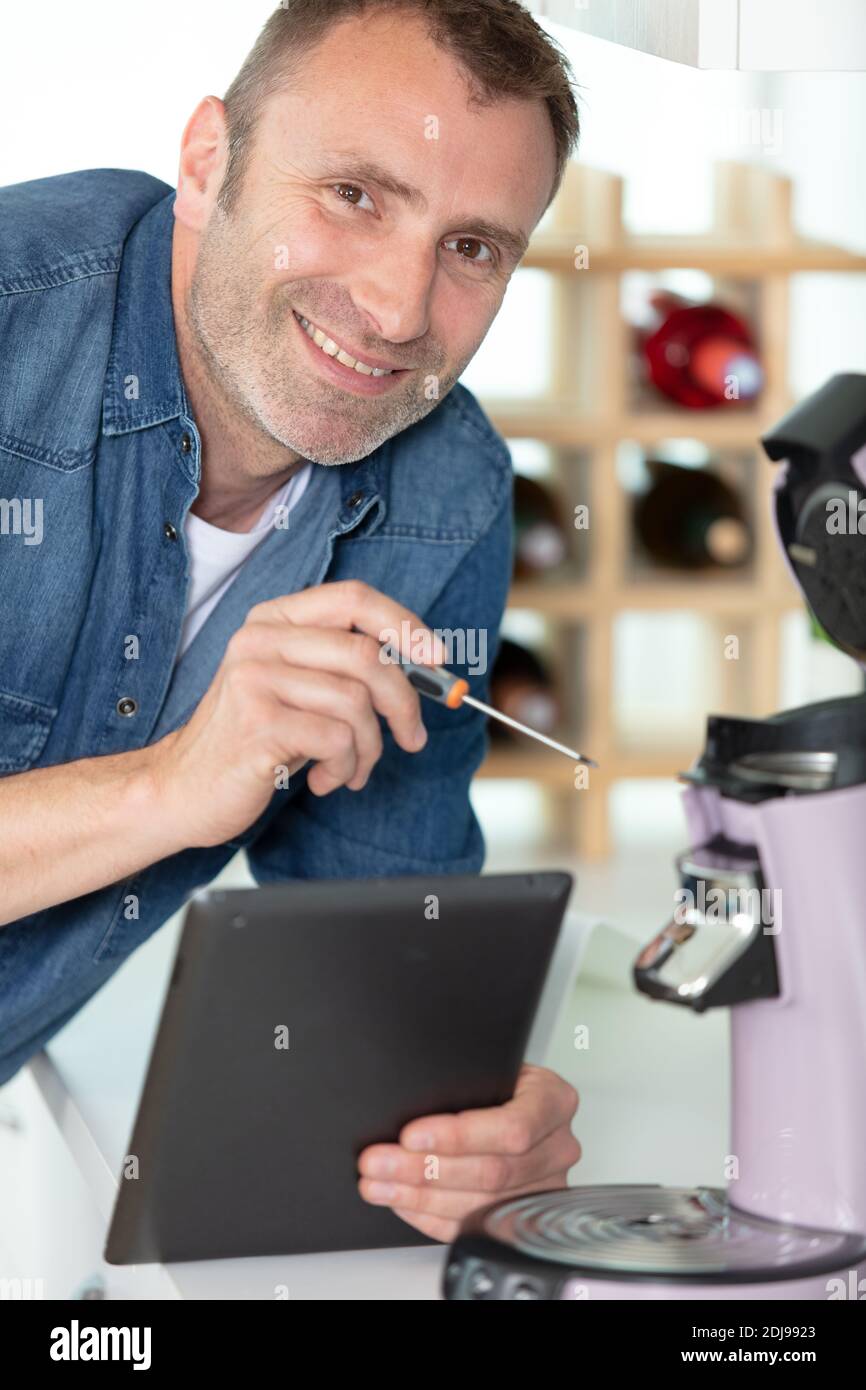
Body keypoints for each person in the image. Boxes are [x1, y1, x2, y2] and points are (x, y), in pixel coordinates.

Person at [0, 0, 582, 1243]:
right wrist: (170, 785)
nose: (393, 307)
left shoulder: (448, 492)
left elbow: (376, 946)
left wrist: (459, 1123)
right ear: (210, 160)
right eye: (357, 196)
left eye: (472, 246)